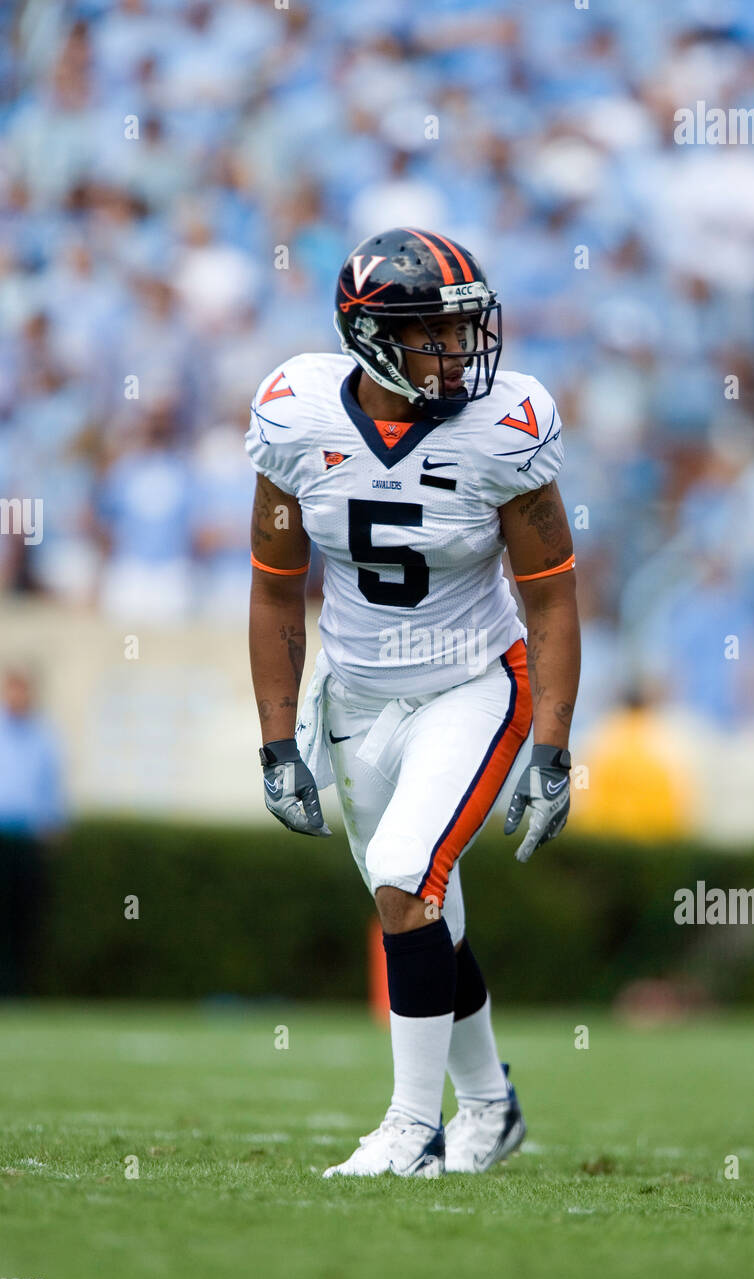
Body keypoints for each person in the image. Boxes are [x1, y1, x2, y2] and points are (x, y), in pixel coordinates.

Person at [246, 228, 580, 1177]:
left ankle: (411, 1127)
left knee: (402, 875)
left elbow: (551, 589)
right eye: (431, 329)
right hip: (354, 697)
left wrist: (552, 746)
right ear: (371, 337)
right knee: (427, 912)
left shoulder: (503, 427)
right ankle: (489, 1108)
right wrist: (277, 743)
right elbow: (275, 587)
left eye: (460, 325)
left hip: (473, 682)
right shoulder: (296, 417)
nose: (458, 348)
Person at [0, 668, 66, 995]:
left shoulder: (43, 736)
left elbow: (51, 788)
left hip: (26, 841)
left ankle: (19, 989)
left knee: (24, 917)